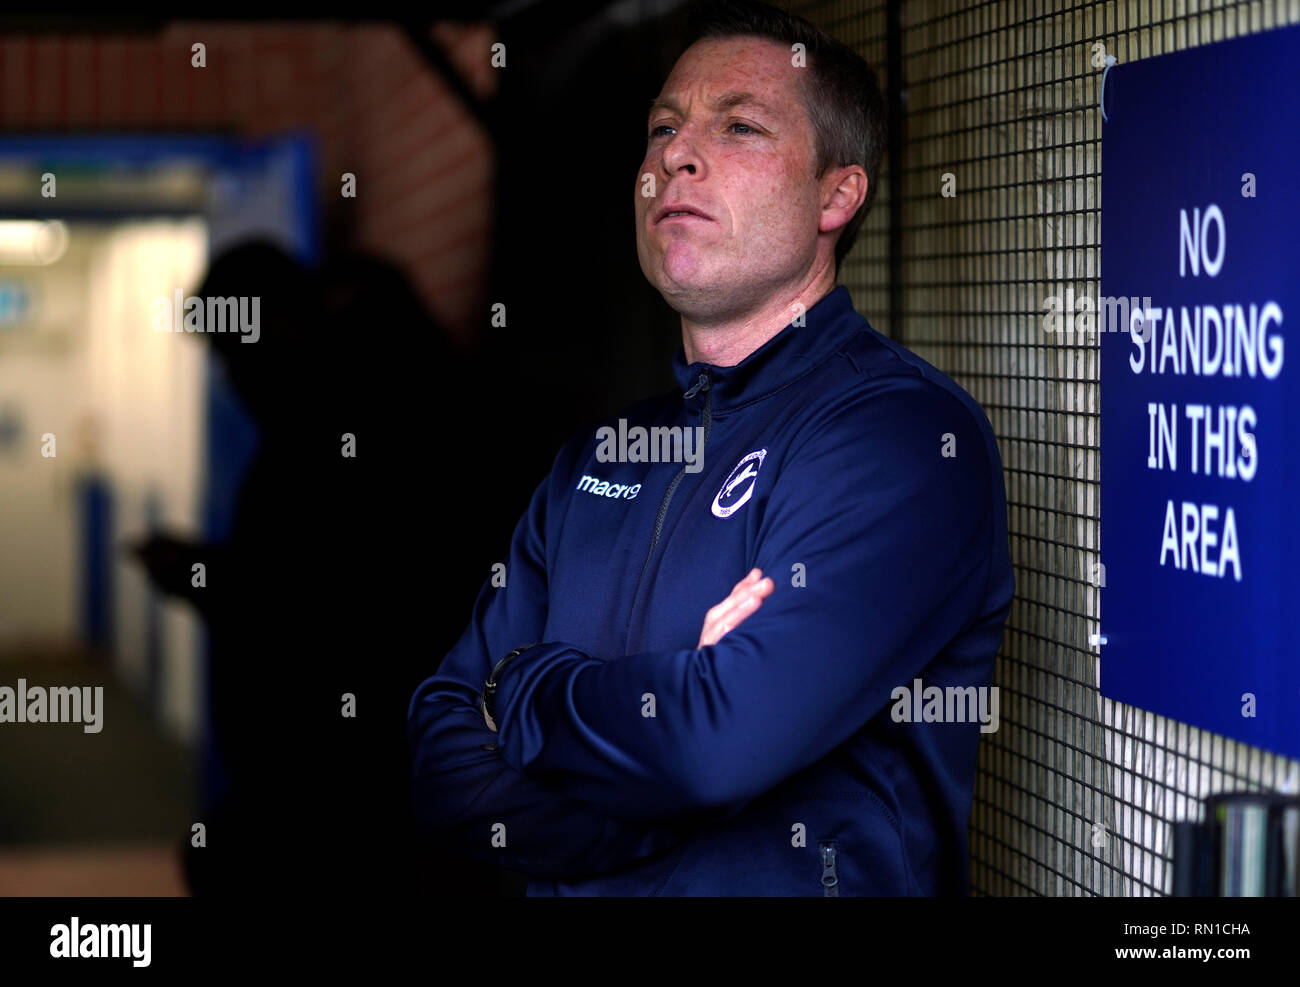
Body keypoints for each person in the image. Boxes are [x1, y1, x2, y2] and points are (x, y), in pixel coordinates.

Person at [407, 0, 1014, 896]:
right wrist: (651, 804)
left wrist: (523, 685)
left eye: (739, 125)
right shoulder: (599, 460)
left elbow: (714, 746)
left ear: (836, 195)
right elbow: (441, 761)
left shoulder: (902, 440)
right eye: (663, 127)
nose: (674, 156)